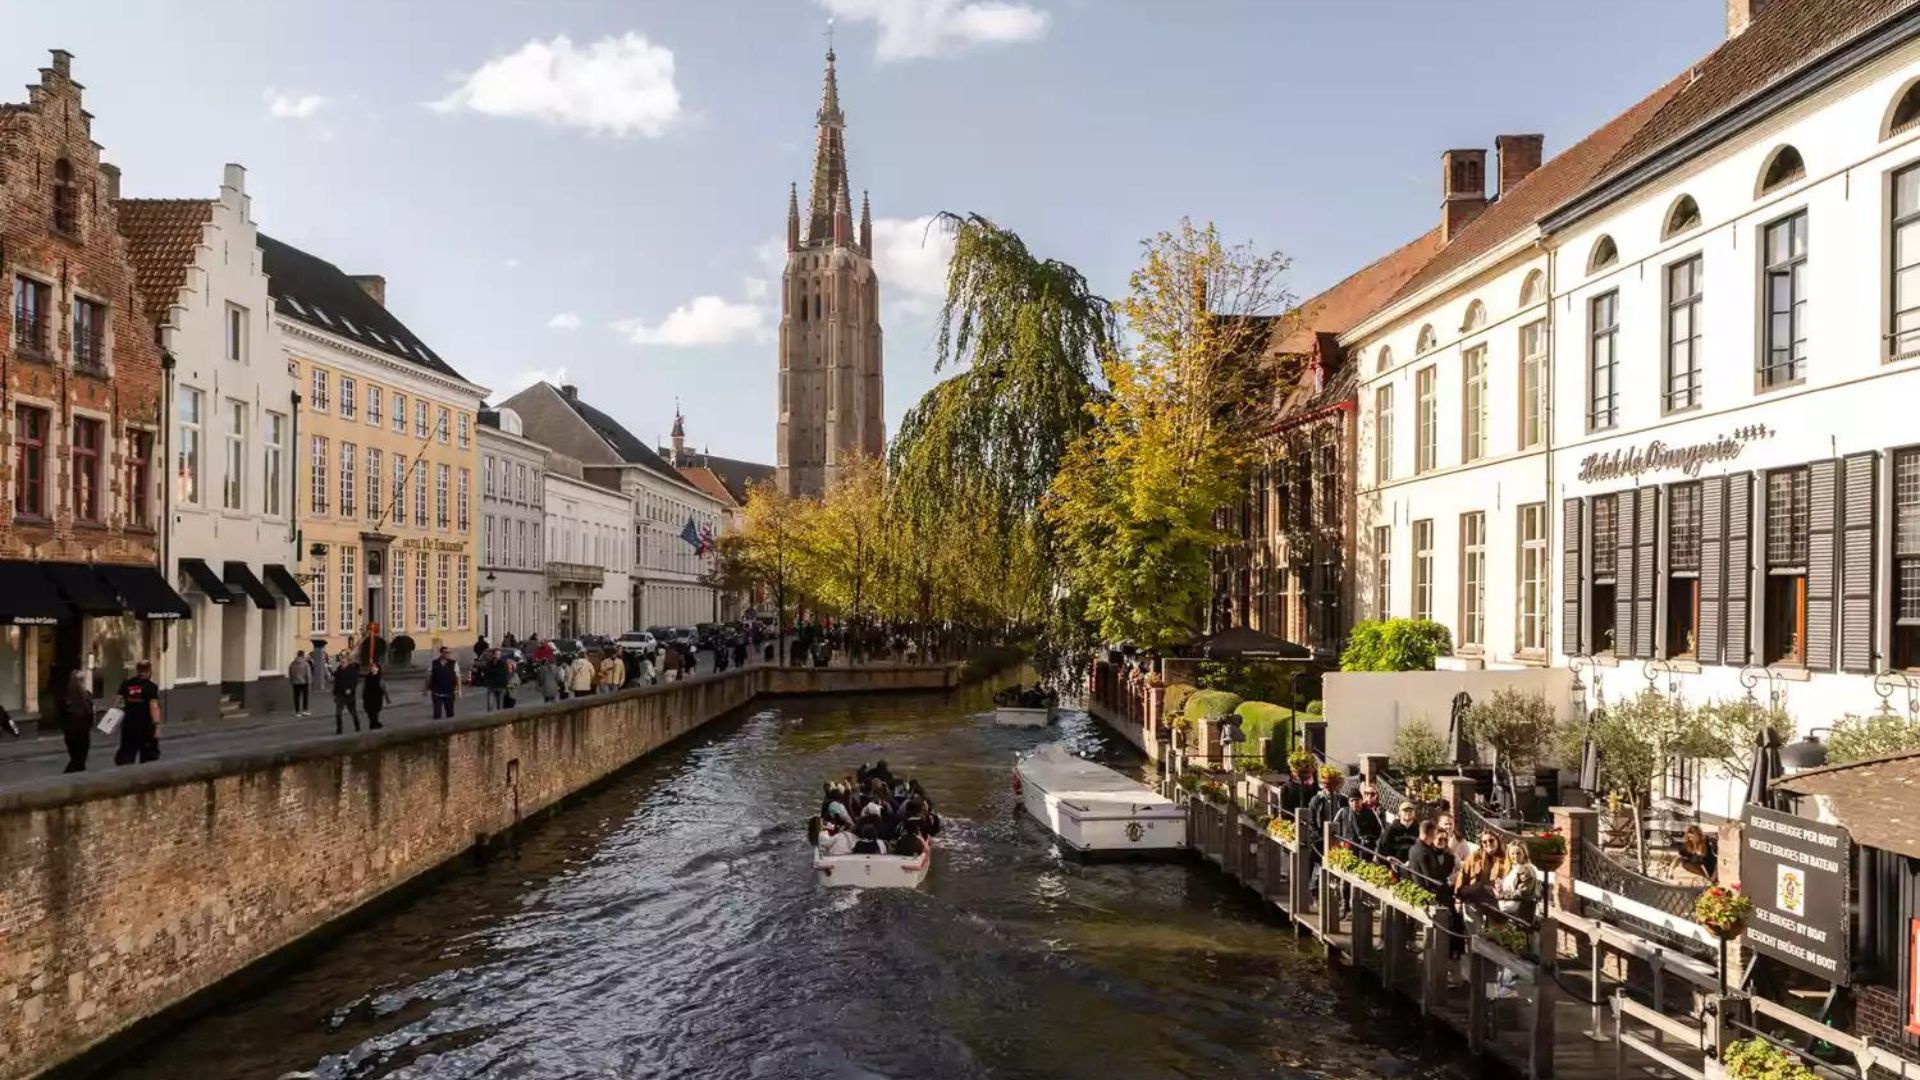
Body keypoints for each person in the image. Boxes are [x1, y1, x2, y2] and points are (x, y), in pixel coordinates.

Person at [113, 659, 162, 766]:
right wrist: (157, 726)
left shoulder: (126, 684)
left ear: (137, 670)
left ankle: (125, 775)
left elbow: (117, 703)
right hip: (146, 727)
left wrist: (111, 722)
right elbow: (153, 707)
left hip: (129, 725)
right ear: (149, 671)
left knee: (127, 755)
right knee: (148, 757)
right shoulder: (151, 687)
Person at [56, 666, 94, 773]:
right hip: (80, 733)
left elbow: (61, 717)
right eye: (82, 680)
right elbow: (90, 715)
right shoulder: (85, 697)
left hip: (73, 733)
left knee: (77, 759)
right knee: (79, 760)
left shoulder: (67, 698)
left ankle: (74, 777)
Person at [1495, 838, 1541, 923]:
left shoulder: (1526, 869)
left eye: (1518, 853)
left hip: (1517, 907)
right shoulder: (1513, 868)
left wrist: (1501, 895)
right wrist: (1499, 887)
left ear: (1524, 854)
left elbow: (1523, 892)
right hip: (1507, 904)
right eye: (1512, 853)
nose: (1515, 856)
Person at [426, 646, 462, 719]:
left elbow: (458, 676)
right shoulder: (434, 663)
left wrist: (459, 690)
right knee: (437, 713)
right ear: (441, 653)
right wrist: (425, 689)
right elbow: (428, 676)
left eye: (449, 653)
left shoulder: (453, 663)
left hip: (449, 692)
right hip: (437, 692)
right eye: (446, 652)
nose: (448, 654)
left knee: (450, 713)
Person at [332, 655, 363, 734]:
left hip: (349, 695)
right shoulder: (338, 671)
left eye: (344, 662)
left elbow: (355, 682)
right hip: (340, 695)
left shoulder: (352, 671)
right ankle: (339, 730)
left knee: (353, 712)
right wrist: (335, 693)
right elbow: (336, 683)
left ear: (348, 662)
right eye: (341, 662)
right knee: (338, 713)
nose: (342, 663)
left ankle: (357, 726)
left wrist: (351, 689)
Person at [362, 661, 392, 730]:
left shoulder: (380, 678)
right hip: (368, 698)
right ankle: (375, 723)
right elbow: (364, 687)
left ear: (378, 669)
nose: (373, 668)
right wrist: (363, 696)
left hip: (377, 698)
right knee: (369, 712)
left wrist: (387, 699)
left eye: (374, 667)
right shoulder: (367, 677)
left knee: (375, 712)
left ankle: (374, 724)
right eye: (372, 667)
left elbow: (384, 688)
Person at [288, 650, 312, 717]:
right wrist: (309, 682)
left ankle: (297, 712)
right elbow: (308, 674)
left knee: (296, 697)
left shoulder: (292, 663)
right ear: (303, 655)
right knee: (305, 697)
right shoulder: (305, 664)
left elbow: (290, 673)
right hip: (304, 682)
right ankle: (305, 710)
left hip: (295, 682)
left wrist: (292, 680)